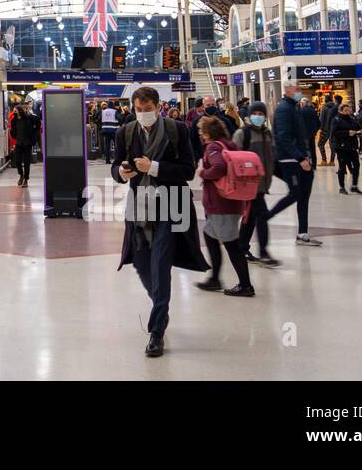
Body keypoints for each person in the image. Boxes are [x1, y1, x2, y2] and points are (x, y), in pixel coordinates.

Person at [110, 85, 208, 358]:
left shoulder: (177, 130)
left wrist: (154, 167)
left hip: (171, 204)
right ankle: (160, 306)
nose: (143, 115)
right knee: (141, 264)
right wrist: (120, 172)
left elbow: (189, 170)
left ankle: (156, 331)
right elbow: (116, 165)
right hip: (140, 207)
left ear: (159, 107)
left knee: (161, 262)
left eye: (148, 110)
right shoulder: (125, 133)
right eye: (138, 110)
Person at [194, 115, 256, 297]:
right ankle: (214, 278)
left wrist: (203, 172)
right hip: (232, 201)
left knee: (231, 245)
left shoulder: (213, 147)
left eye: (201, 131)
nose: (200, 134)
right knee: (210, 235)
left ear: (208, 132)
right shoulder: (229, 144)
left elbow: (219, 168)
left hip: (221, 203)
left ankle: (245, 285)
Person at [269, 84, 322, 246]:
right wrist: (300, 158)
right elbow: (283, 137)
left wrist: (306, 157)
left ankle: (303, 233)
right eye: (296, 89)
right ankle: (264, 217)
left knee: (303, 196)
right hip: (289, 159)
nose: (299, 91)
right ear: (287, 91)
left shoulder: (295, 108)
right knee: (295, 193)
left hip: (301, 158)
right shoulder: (284, 109)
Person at [235, 101, 279, 267]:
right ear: (249, 115)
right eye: (256, 114)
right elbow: (234, 158)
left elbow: (271, 156)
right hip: (248, 184)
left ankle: (242, 247)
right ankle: (263, 252)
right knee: (262, 215)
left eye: (261, 114)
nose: (259, 117)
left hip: (262, 183)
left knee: (251, 216)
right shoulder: (242, 134)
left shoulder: (267, 133)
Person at [329, 99, 362, 194]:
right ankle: (342, 187)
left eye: (349, 110)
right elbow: (334, 133)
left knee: (356, 165)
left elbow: (358, 128)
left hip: (352, 146)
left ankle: (354, 185)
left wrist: (361, 131)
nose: (348, 112)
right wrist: (347, 133)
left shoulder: (352, 119)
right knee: (342, 167)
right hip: (341, 147)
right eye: (345, 111)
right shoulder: (336, 120)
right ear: (340, 111)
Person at [11, 98, 39, 187]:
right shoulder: (14, 121)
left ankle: (26, 180)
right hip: (19, 143)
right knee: (17, 161)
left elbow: (37, 121)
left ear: (19, 111)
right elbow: (13, 131)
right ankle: (21, 175)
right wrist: (14, 135)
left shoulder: (28, 118)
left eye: (15, 111)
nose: (14, 112)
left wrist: (34, 132)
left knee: (27, 163)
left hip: (27, 143)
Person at [317, 94, 341, 164]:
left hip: (325, 129)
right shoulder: (336, 106)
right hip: (334, 129)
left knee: (320, 144)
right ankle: (332, 161)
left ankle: (324, 160)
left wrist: (320, 128)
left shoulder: (324, 107)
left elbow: (322, 119)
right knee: (332, 145)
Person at [296, 96, 319, 162]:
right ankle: (314, 164)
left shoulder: (300, 111)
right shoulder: (313, 111)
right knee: (312, 149)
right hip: (312, 133)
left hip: (304, 134)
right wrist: (315, 131)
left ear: (302, 104)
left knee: (305, 149)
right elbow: (318, 123)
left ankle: (307, 163)